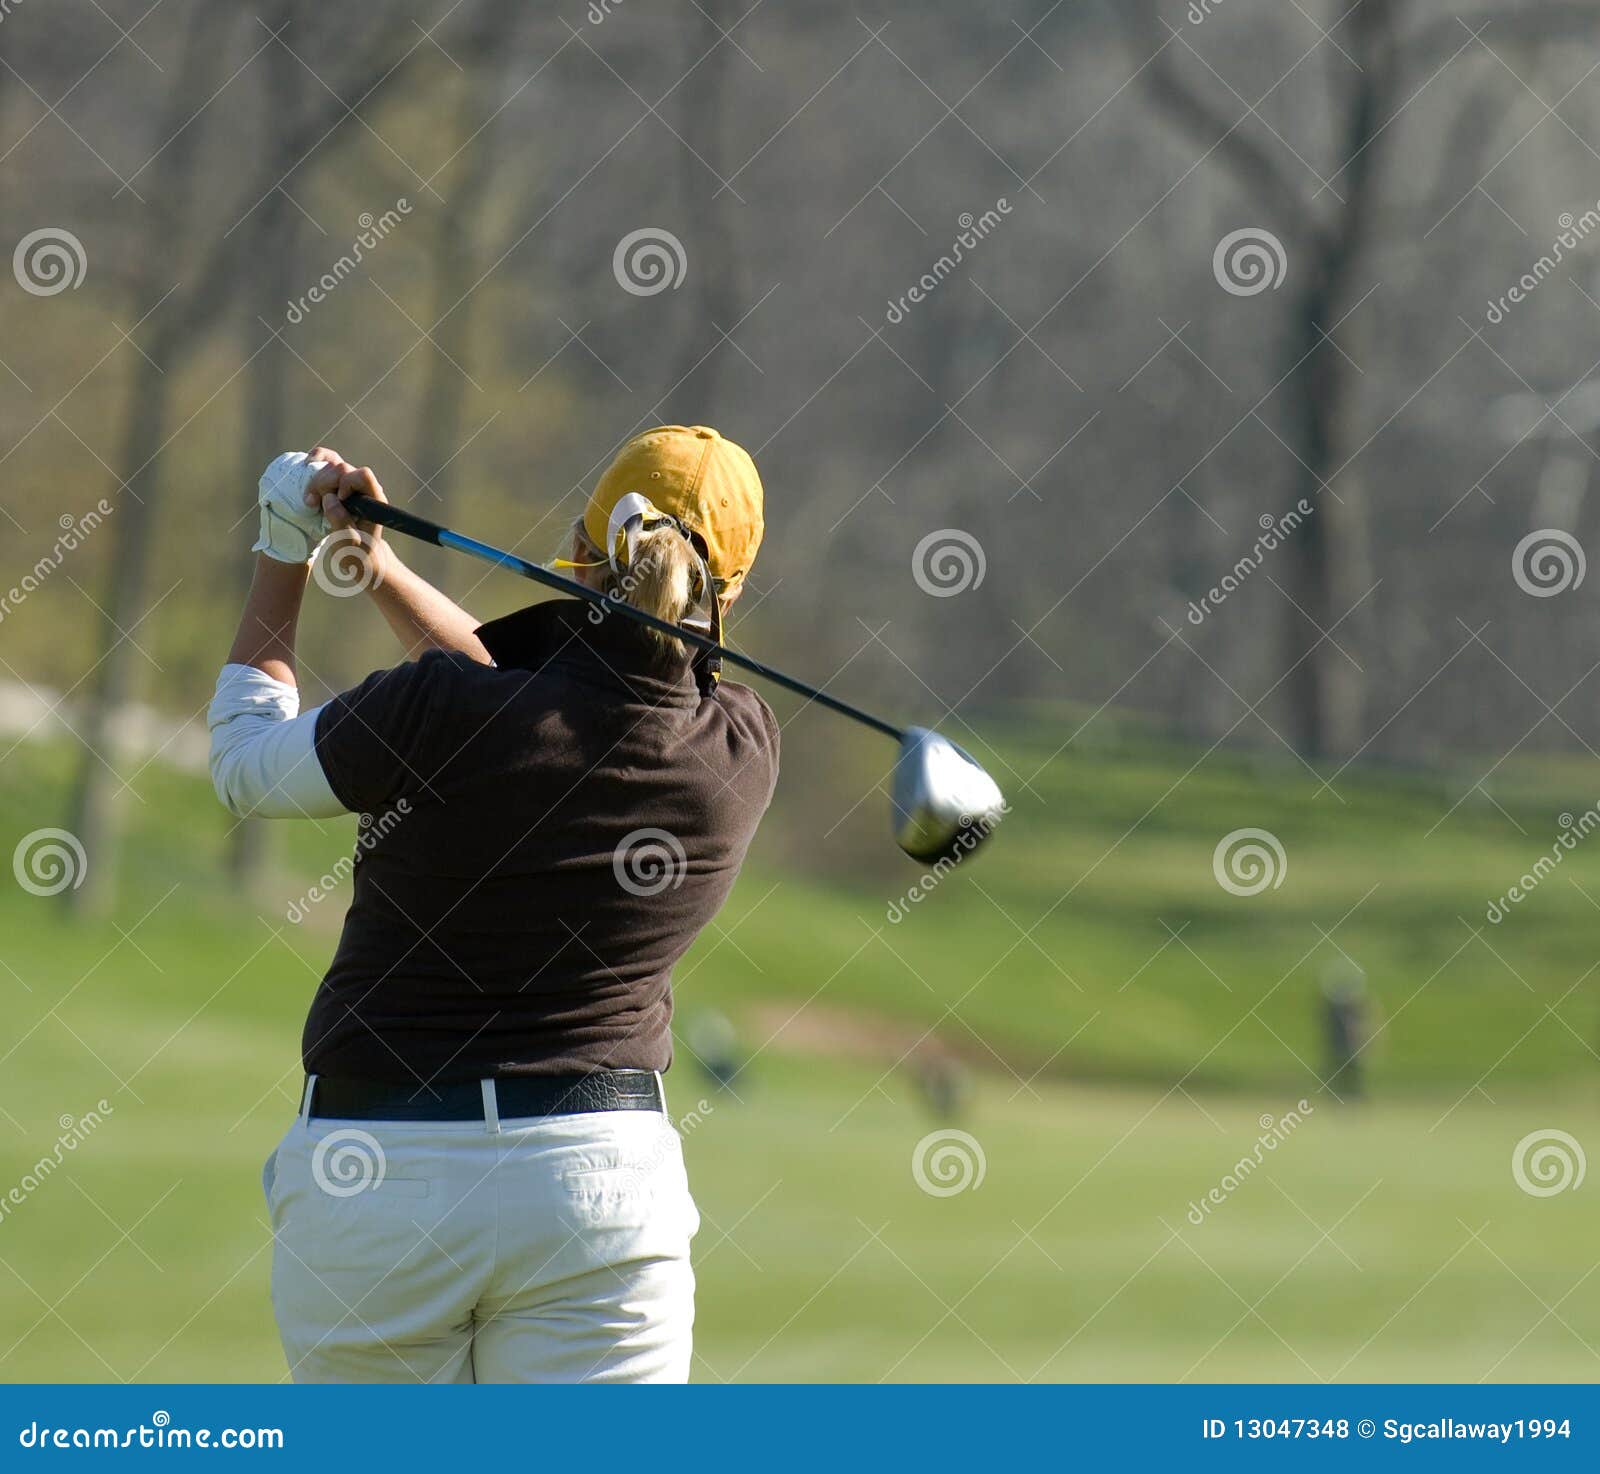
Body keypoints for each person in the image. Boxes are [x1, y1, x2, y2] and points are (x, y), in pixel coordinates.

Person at [208, 425, 778, 1384]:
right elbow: (531, 706)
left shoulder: (435, 711)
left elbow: (243, 763)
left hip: (378, 1177)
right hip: (601, 1193)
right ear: (726, 596)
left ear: (581, 547)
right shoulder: (741, 750)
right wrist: (378, 570)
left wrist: (283, 554)